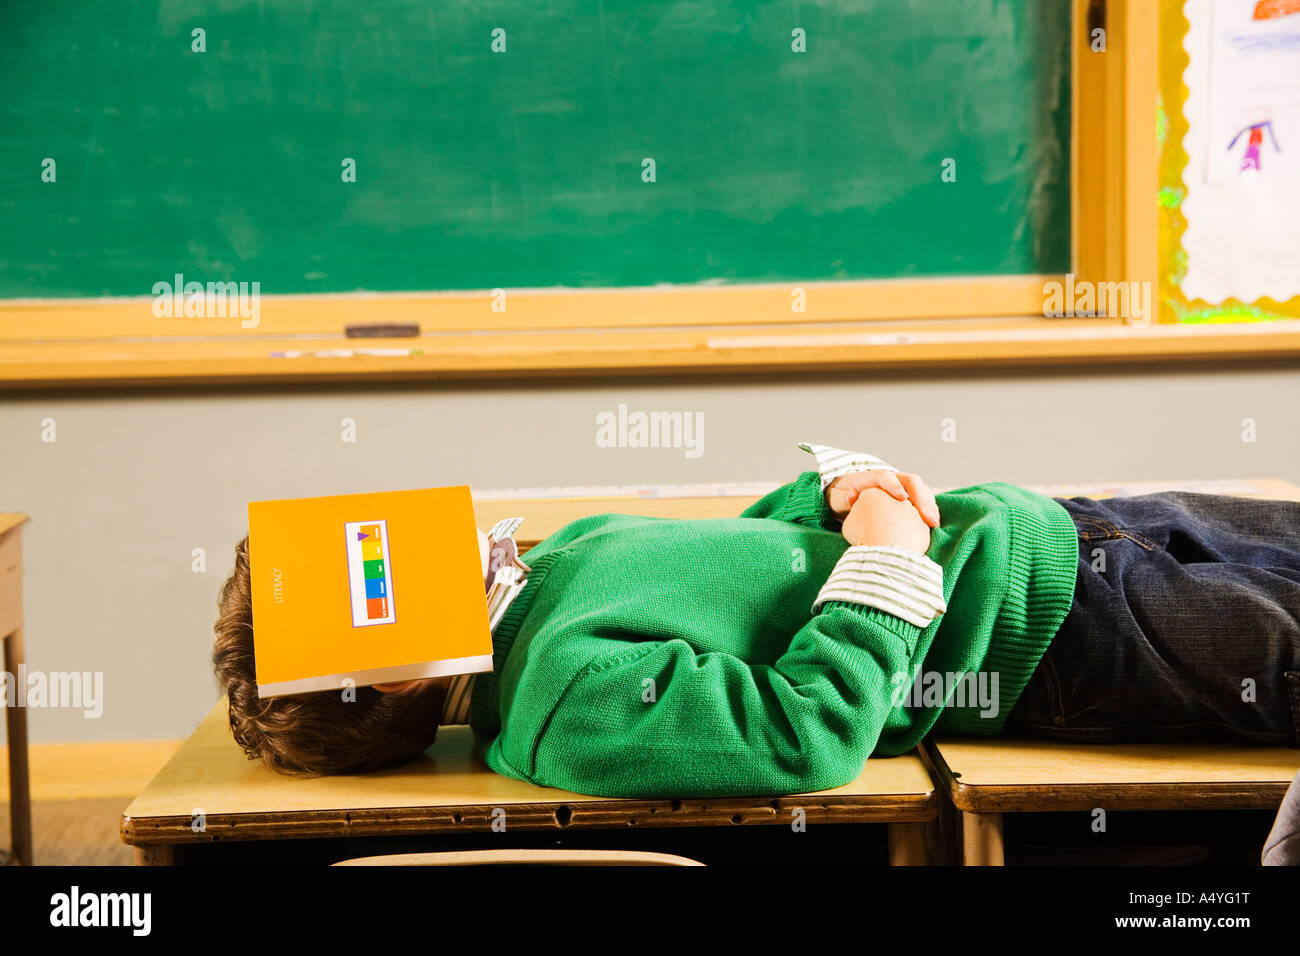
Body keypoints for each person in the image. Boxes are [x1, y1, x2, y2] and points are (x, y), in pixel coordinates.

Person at [212, 442, 1300, 799]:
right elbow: (802, 727)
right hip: (1065, 631)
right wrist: (884, 554)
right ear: (396, 673)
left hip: (1069, 530)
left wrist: (830, 497)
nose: (384, 529)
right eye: (369, 571)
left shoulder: (548, 569)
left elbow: (752, 557)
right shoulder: (554, 702)